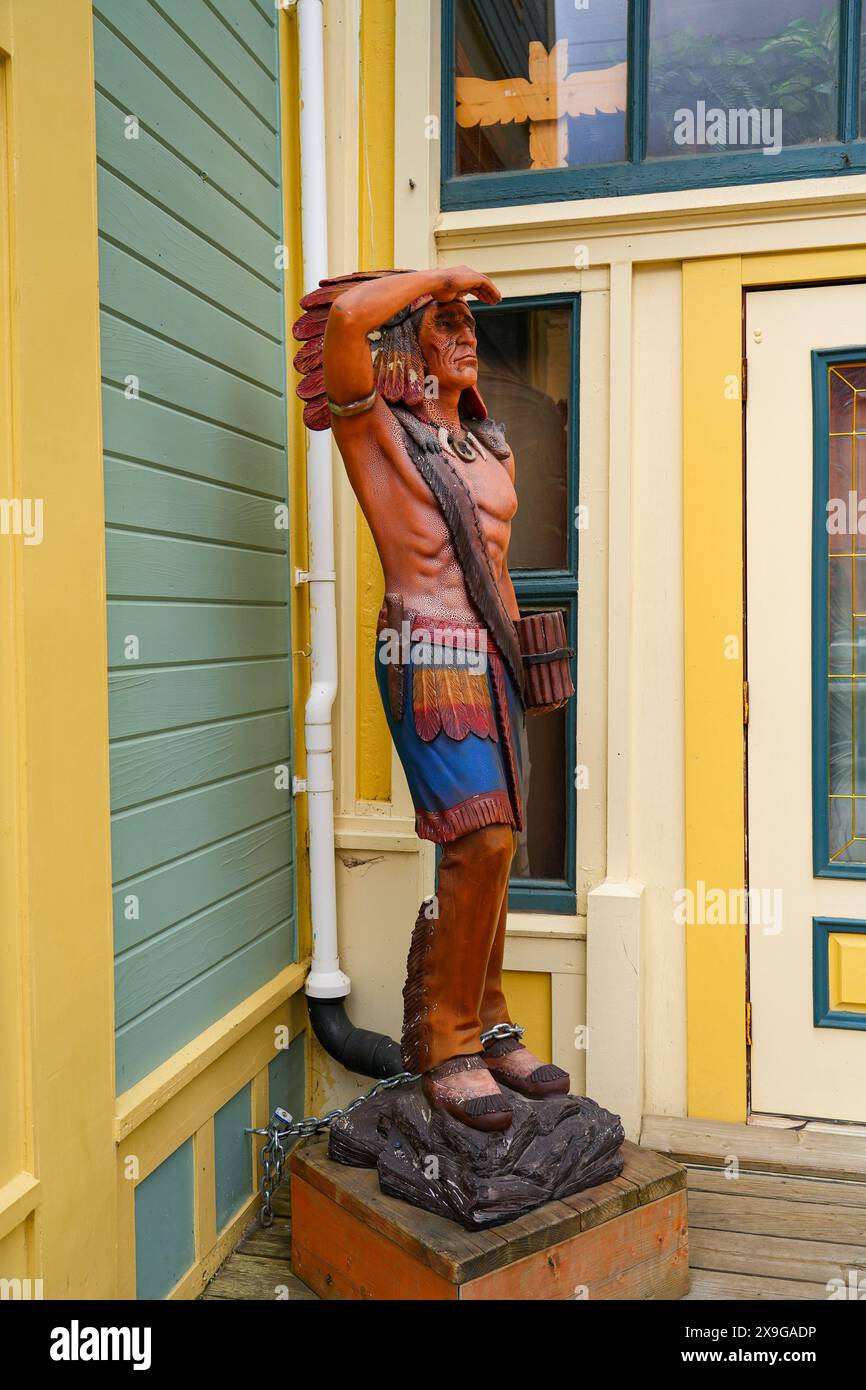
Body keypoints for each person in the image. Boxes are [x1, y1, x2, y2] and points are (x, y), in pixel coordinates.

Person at [293, 266, 572, 1131]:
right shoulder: (375, 429)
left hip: (490, 653)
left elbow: (494, 567)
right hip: (423, 647)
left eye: (467, 322)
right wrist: (437, 276)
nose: (463, 333)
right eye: (442, 322)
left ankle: (488, 1023)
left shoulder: (491, 447)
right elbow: (342, 321)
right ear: (403, 338)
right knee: (477, 839)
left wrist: (528, 650)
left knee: (503, 844)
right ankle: (446, 1046)